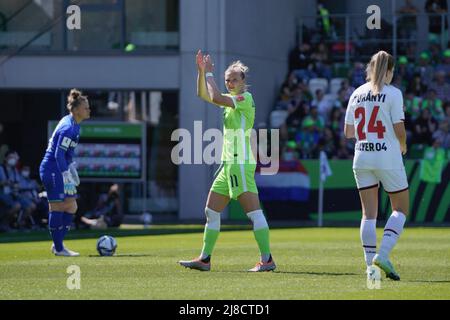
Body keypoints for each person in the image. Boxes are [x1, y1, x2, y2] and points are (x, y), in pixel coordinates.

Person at [178, 50, 276, 272]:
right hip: (228, 164)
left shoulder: (245, 98)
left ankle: (267, 259)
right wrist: (201, 72)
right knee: (211, 211)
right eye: (227, 80)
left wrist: (210, 72)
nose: (230, 83)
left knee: (254, 213)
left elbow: (215, 97)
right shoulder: (230, 100)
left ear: (243, 81)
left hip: (240, 162)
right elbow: (203, 94)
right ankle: (205, 259)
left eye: (234, 79)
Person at [344, 51, 409, 281]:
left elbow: (348, 132)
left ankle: (370, 270)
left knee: (368, 215)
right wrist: (403, 145)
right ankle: (382, 255)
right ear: (389, 71)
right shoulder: (393, 93)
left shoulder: (357, 93)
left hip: (361, 156)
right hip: (387, 157)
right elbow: (399, 129)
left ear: (369, 69)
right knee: (400, 208)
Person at [39, 89, 90, 256]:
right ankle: (59, 248)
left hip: (59, 168)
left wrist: (71, 166)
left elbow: (66, 154)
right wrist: (65, 173)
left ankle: (58, 244)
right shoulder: (69, 127)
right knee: (57, 206)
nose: (88, 110)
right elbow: (58, 154)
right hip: (52, 169)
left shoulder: (75, 125)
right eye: (85, 108)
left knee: (71, 205)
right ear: (76, 110)